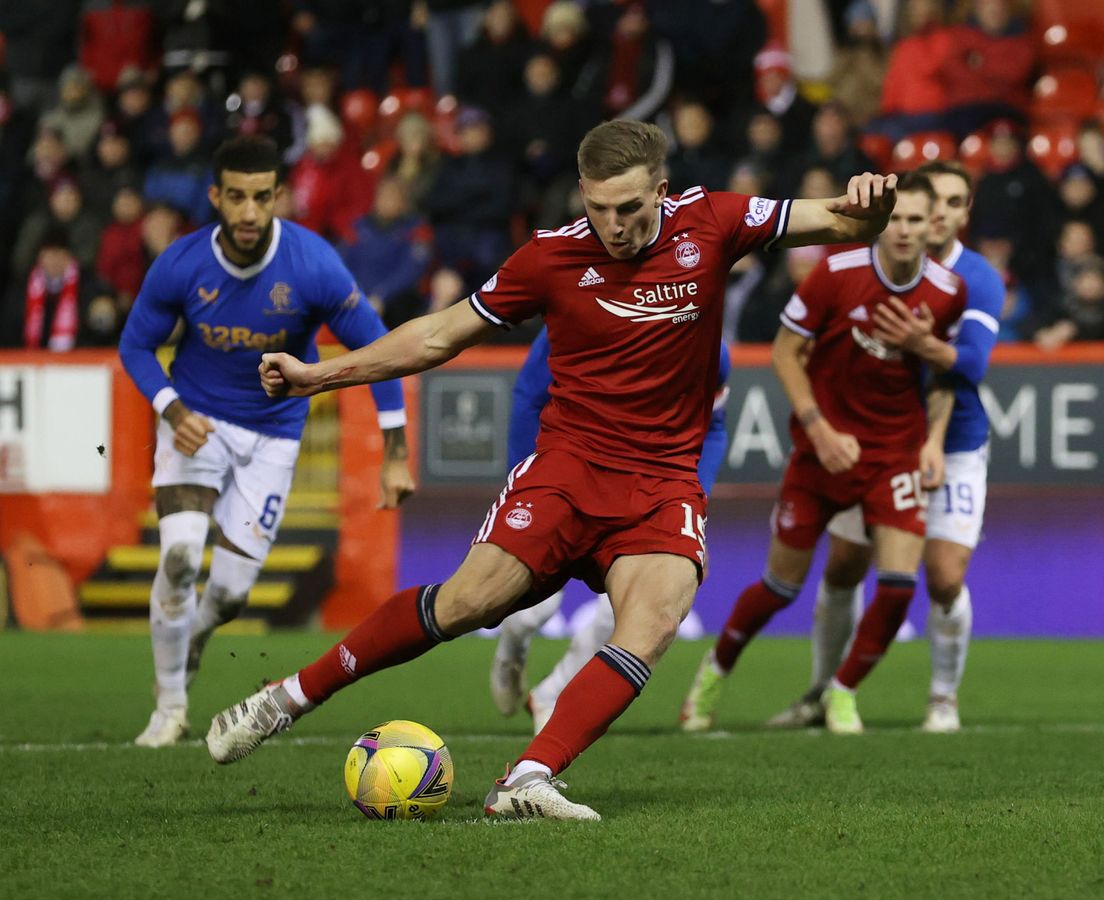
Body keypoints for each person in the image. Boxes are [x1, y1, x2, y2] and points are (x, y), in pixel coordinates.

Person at [204, 120, 901, 821]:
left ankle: (527, 777)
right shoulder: (550, 257)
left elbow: (839, 221)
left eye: (630, 208)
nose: (615, 226)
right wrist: (318, 375)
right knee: (467, 603)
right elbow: (440, 333)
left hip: (660, 481)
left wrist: (868, 205)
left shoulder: (714, 220)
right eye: (599, 208)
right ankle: (286, 698)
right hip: (568, 468)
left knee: (656, 617)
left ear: (662, 191)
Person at [117, 136, 414, 748]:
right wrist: (170, 409)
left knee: (228, 596)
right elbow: (135, 345)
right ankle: (169, 705)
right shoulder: (180, 263)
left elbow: (378, 348)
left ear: (278, 195)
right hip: (194, 421)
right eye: (236, 197)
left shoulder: (313, 264)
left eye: (261, 197)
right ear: (215, 197)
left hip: (275, 436)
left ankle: (196, 635)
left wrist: (396, 451)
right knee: (178, 556)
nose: (249, 212)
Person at [680, 174, 965, 736]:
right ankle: (713, 672)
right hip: (821, 451)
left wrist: (933, 440)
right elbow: (786, 353)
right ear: (882, 220)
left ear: (932, 226)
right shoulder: (835, 275)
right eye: (896, 217)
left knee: (899, 585)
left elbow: (941, 377)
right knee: (780, 586)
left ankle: (842, 693)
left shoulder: (947, 291)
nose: (903, 229)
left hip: (894, 453)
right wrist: (819, 428)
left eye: (915, 219)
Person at [765, 160, 1004, 733]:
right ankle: (823, 691)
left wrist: (925, 348)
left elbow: (969, 364)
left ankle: (942, 697)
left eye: (952, 202)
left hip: (951, 444)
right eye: (931, 201)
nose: (939, 213)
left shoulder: (975, 280)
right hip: (875, 442)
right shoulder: (867, 265)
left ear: (963, 213)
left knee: (943, 577)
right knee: (845, 565)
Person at [489, 334, 731, 731]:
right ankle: (512, 648)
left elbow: (714, 426)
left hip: (646, 488)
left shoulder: (706, 341)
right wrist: (524, 479)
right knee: (536, 608)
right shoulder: (577, 310)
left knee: (633, 605)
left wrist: (694, 509)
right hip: (565, 473)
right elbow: (529, 396)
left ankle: (553, 691)